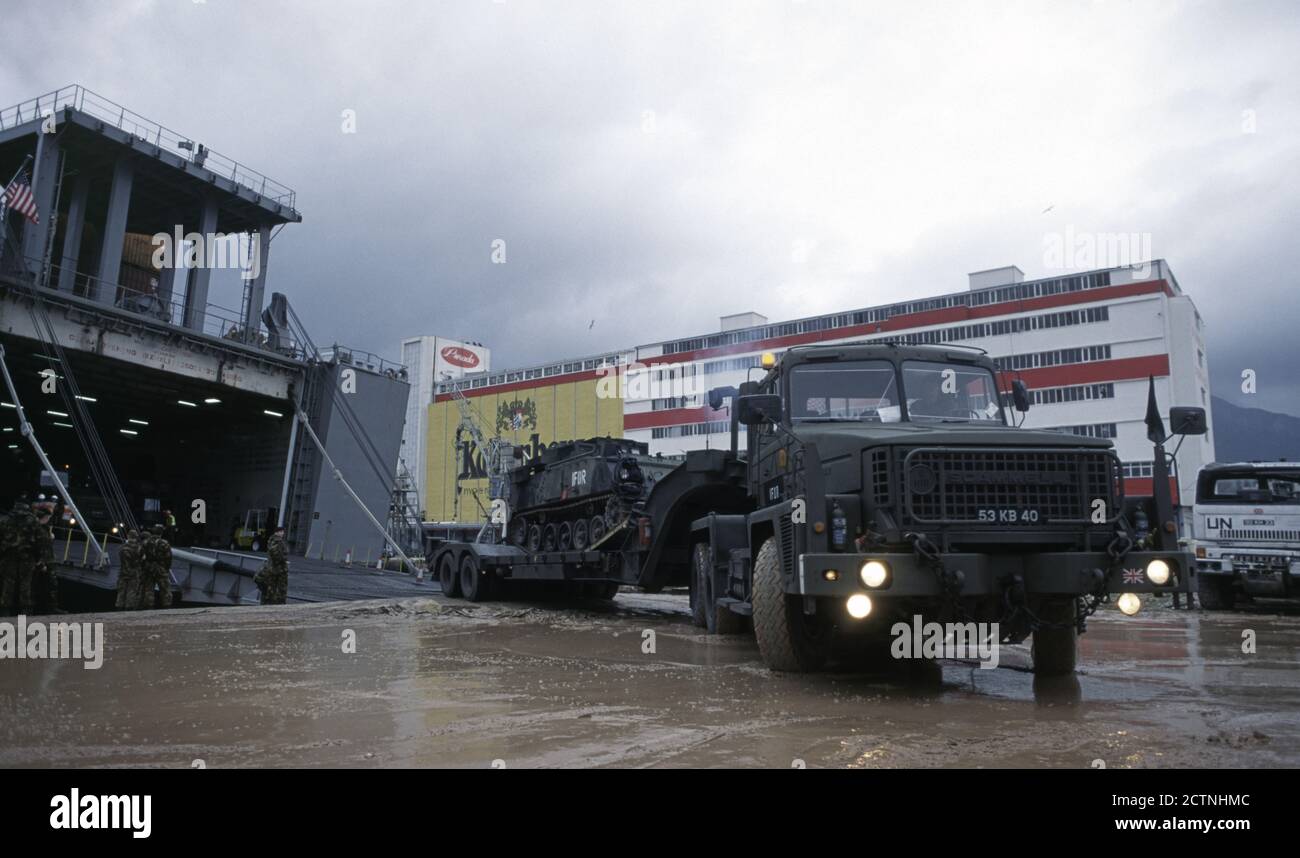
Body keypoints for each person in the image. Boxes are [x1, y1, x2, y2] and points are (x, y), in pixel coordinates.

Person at [30, 498, 57, 614]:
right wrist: (40, 563)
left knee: (49, 585)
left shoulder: (44, 529)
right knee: (36, 586)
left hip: (47, 561)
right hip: (41, 562)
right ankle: (38, 609)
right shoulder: (37, 529)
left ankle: (49, 607)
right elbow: (36, 547)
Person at [254, 526, 289, 605]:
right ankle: (277, 604)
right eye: (281, 531)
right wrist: (283, 559)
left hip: (273, 569)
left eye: (282, 532)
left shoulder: (272, 540)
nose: (282, 533)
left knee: (270, 589)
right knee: (278, 589)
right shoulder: (277, 541)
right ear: (277, 532)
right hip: (278, 570)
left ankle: (267, 603)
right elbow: (277, 556)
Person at [142, 525, 174, 609]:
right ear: (161, 533)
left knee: (149, 588)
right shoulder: (164, 543)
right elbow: (168, 557)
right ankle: (167, 606)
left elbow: (141, 555)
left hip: (149, 568)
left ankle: (149, 606)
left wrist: (145, 566)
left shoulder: (146, 542)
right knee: (165, 588)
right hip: (161, 568)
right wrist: (166, 568)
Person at [116, 530, 145, 610]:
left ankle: (119, 606)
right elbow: (142, 559)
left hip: (123, 571)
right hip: (134, 572)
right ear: (136, 537)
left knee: (121, 591)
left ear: (128, 536)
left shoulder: (122, 547)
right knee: (131, 591)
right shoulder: (139, 548)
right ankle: (129, 607)